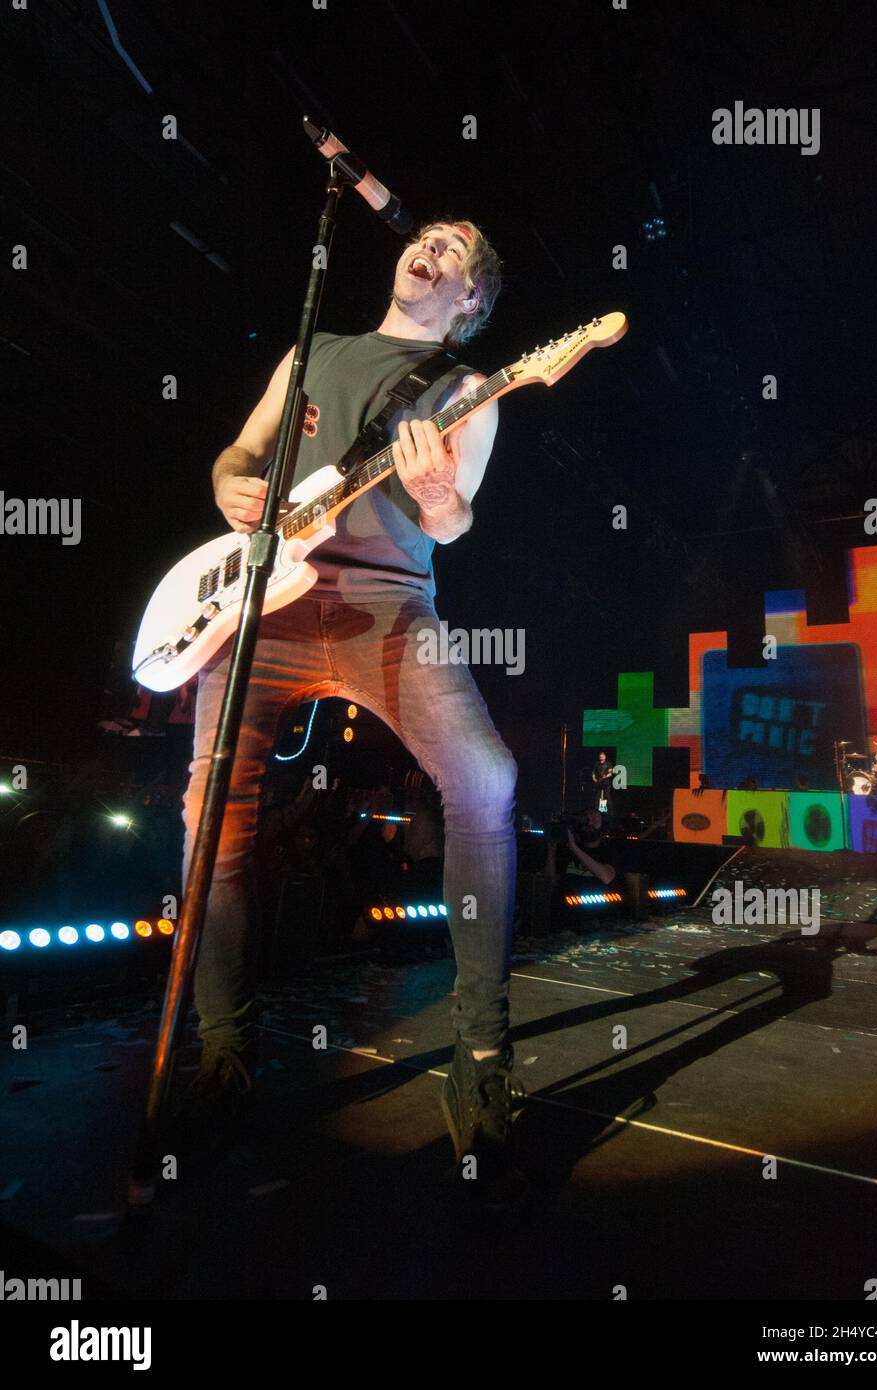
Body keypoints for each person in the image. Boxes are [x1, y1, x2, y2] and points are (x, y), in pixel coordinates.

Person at [179, 221, 523, 1200]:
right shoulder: (313, 353)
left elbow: (454, 525)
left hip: (388, 608)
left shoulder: (468, 388)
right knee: (210, 808)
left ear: (470, 301)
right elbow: (237, 454)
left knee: (487, 779)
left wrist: (435, 493)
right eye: (427, 234)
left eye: (457, 248)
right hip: (269, 603)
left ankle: (484, 1057)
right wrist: (232, 486)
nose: (433, 245)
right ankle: (224, 1059)